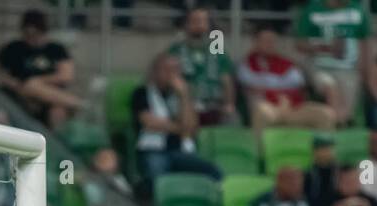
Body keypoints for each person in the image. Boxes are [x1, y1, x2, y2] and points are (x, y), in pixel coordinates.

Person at [132, 52, 222, 187]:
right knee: (157, 178)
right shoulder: (142, 93)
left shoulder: (183, 96)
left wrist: (184, 95)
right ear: (155, 72)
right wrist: (181, 128)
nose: (172, 75)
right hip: (153, 150)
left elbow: (192, 129)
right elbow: (150, 123)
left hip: (180, 151)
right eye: (167, 70)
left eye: (175, 70)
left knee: (214, 173)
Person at [0, 10, 82, 129]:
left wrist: (38, 81)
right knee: (27, 88)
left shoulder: (56, 49)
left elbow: (66, 75)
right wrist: (12, 83)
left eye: (36, 34)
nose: (32, 38)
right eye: (28, 34)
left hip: (49, 96)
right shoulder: (14, 48)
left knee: (56, 110)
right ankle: (78, 104)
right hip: (18, 93)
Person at [239, 23, 336, 132]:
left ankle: (325, 149)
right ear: (255, 42)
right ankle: (260, 149)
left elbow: (298, 86)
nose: (269, 44)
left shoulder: (287, 64)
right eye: (265, 41)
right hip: (271, 110)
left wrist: (276, 94)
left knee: (325, 114)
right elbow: (252, 88)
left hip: (293, 108)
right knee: (261, 111)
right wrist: (278, 91)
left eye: (272, 41)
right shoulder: (247, 64)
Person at [294, 0, 370, 127]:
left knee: (345, 114)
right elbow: (299, 44)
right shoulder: (313, 9)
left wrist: (365, 70)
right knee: (331, 88)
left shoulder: (357, 11)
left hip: (348, 69)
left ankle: (336, 129)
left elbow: (365, 42)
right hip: (319, 66)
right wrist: (323, 48)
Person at [168, 6, 238, 126]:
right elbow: (171, 80)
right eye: (195, 21)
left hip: (214, 105)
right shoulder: (175, 51)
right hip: (186, 104)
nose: (199, 25)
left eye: (202, 21)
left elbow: (226, 80)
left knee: (234, 120)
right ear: (186, 25)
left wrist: (229, 104)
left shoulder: (218, 51)